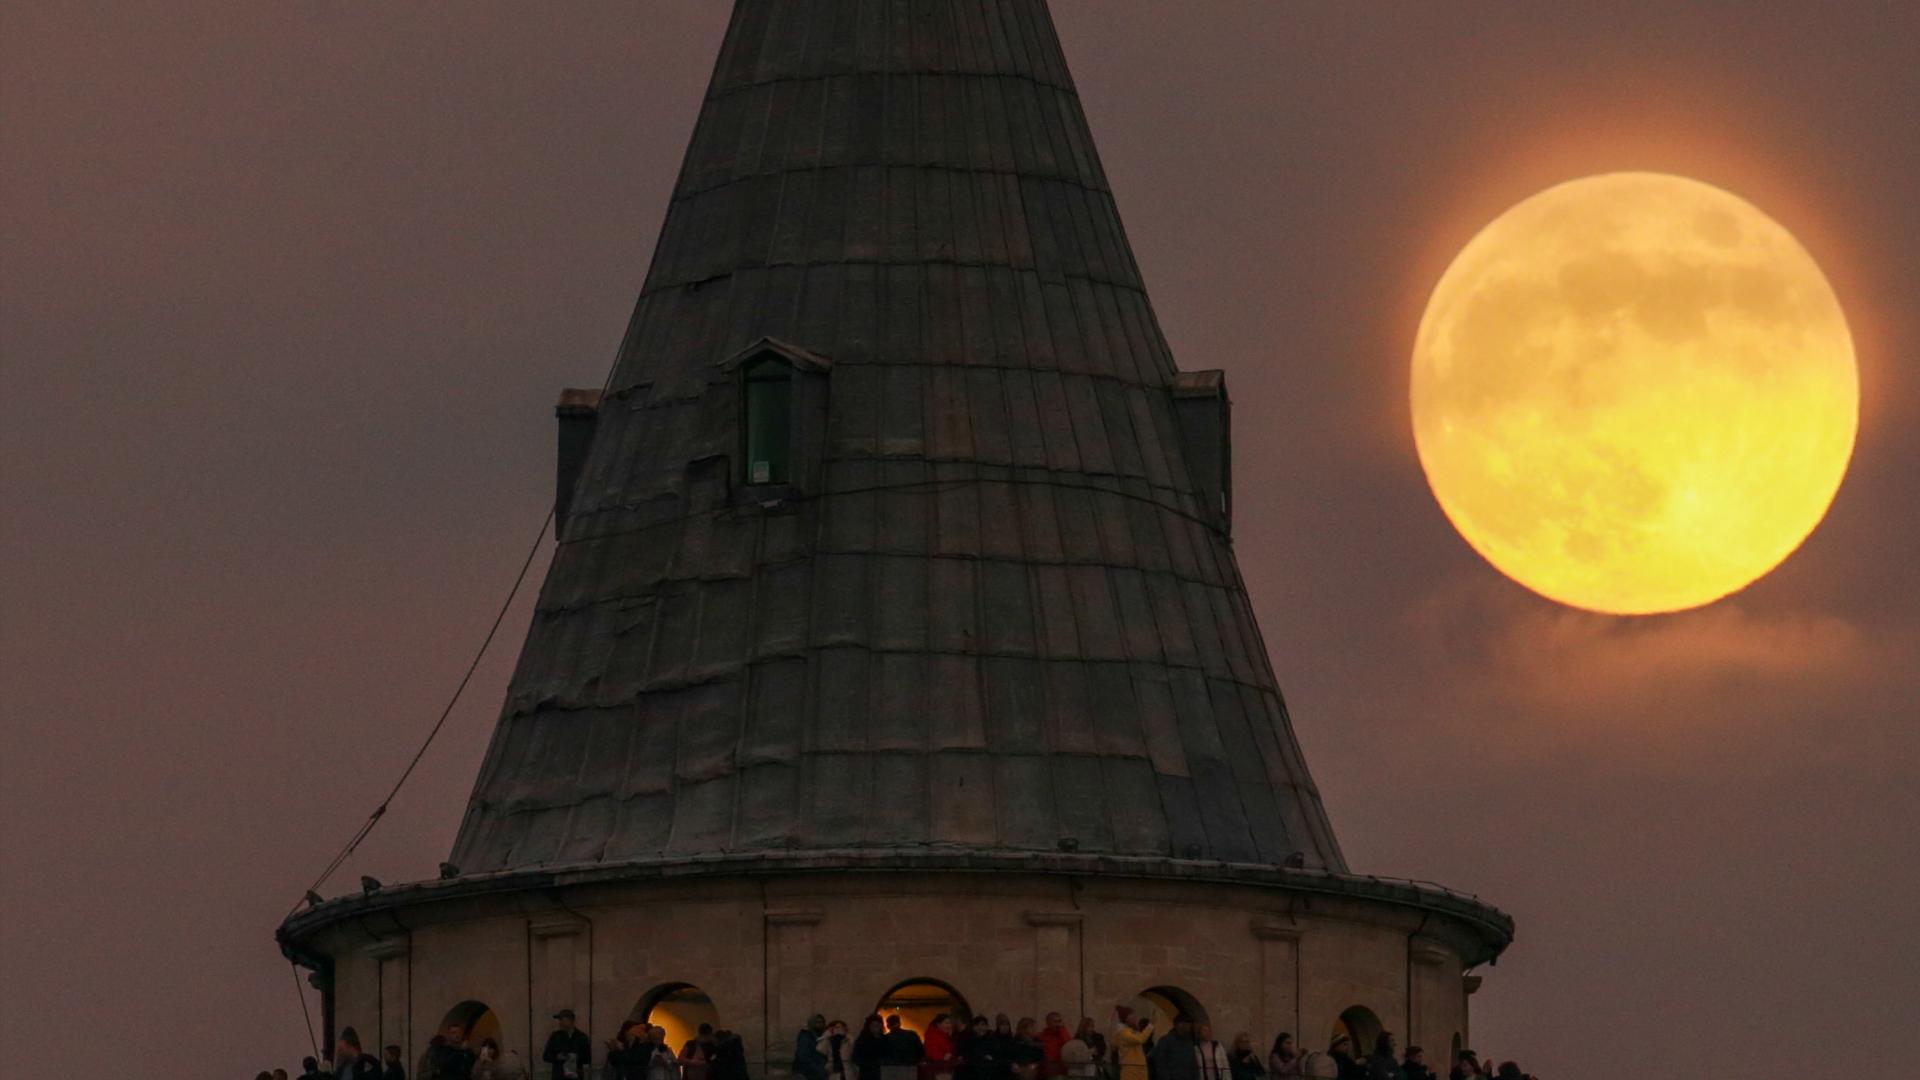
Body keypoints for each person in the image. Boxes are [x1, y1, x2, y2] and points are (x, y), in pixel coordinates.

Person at [542, 1009, 593, 1080]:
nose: (560, 1023)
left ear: (570, 1020)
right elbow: (545, 1056)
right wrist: (557, 1057)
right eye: (560, 1020)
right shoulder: (555, 1036)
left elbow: (588, 1058)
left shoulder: (582, 1037)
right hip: (559, 1077)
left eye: (562, 1020)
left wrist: (575, 1057)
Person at [1145, 1016, 1196, 1080]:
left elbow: (1193, 1063)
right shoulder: (1166, 1041)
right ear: (1180, 1024)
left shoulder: (1189, 1042)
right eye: (1187, 1023)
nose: (1190, 1026)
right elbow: (1160, 1062)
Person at [1112, 1009, 1151, 1080]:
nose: (1136, 1019)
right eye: (1133, 1017)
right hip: (1131, 1068)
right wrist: (1150, 1026)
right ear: (1127, 1019)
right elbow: (1140, 1039)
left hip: (1137, 1067)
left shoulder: (1131, 1031)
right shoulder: (1123, 1033)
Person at [795, 1015, 832, 1080]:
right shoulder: (805, 1037)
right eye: (817, 1022)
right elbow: (803, 1057)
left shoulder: (824, 1036)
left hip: (821, 1072)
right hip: (809, 1073)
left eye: (822, 1022)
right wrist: (819, 1069)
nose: (820, 1024)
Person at [854, 1015, 890, 1080]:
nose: (876, 1027)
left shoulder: (885, 1039)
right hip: (867, 1073)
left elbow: (889, 1054)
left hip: (882, 1072)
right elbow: (856, 1057)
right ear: (869, 1026)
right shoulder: (863, 1040)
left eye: (878, 1025)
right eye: (873, 1025)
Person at [924, 1015, 958, 1079]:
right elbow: (931, 1052)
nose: (949, 1025)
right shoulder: (933, 1035)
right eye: (946, 1023)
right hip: (939, 1069)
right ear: (938, 1024)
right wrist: (942, 1056)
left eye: (950, 1023)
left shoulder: (945, 1036)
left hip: (946, 1068)